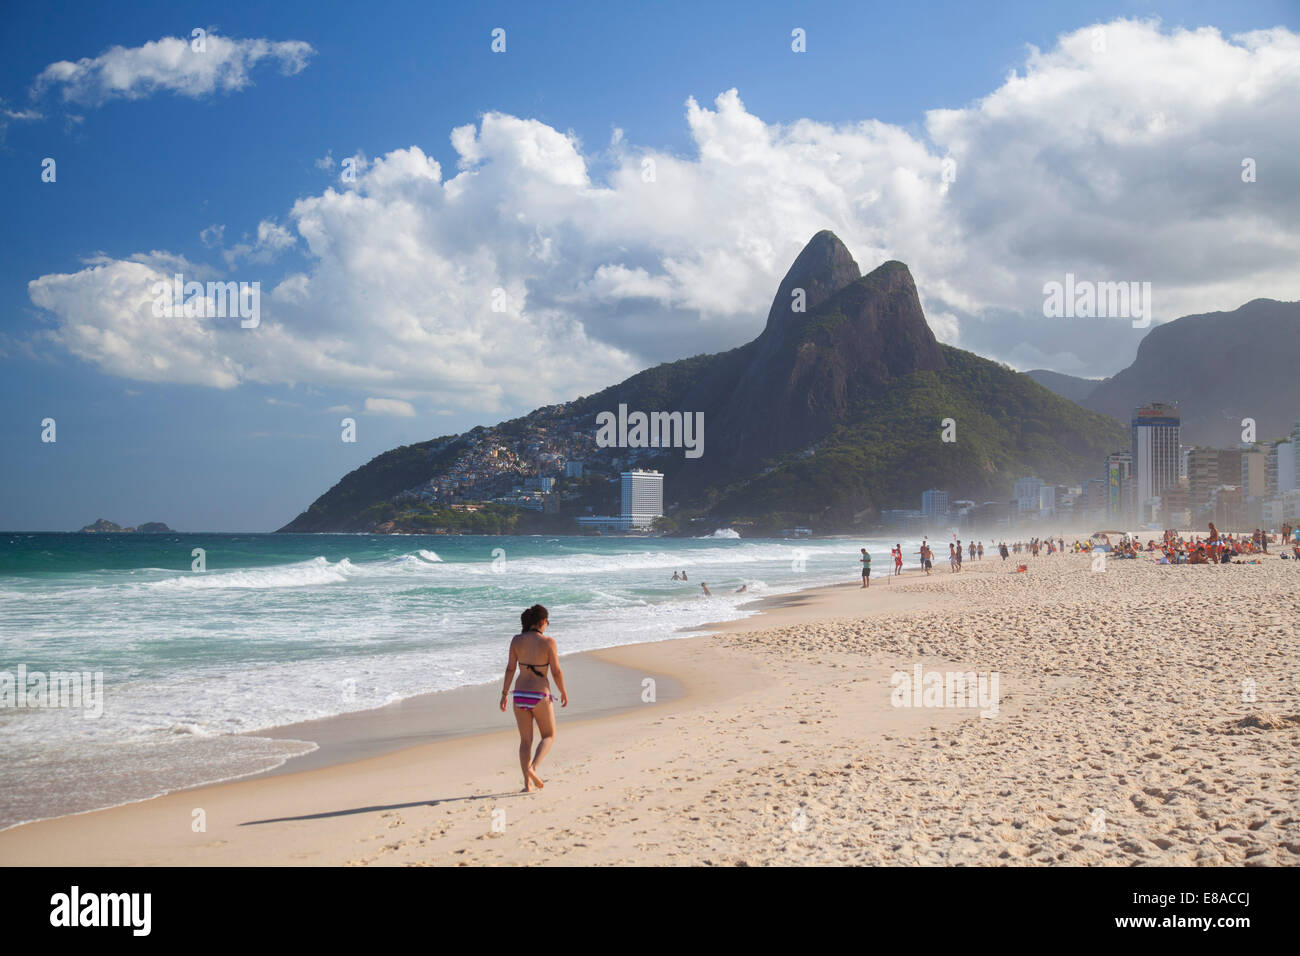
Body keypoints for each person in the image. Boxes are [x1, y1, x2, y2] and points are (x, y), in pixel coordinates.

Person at [500, 604, 568, 793]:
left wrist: (504, 694)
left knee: (525, 741)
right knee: (548, 735)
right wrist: (563, 691)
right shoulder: (548, 642)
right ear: (542, 621)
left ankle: (527, 785)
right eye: (547, 622)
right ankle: (533, 768)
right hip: (539, 695)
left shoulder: (516, 640)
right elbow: (556, 671)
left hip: (519, 695)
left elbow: (510, 669)